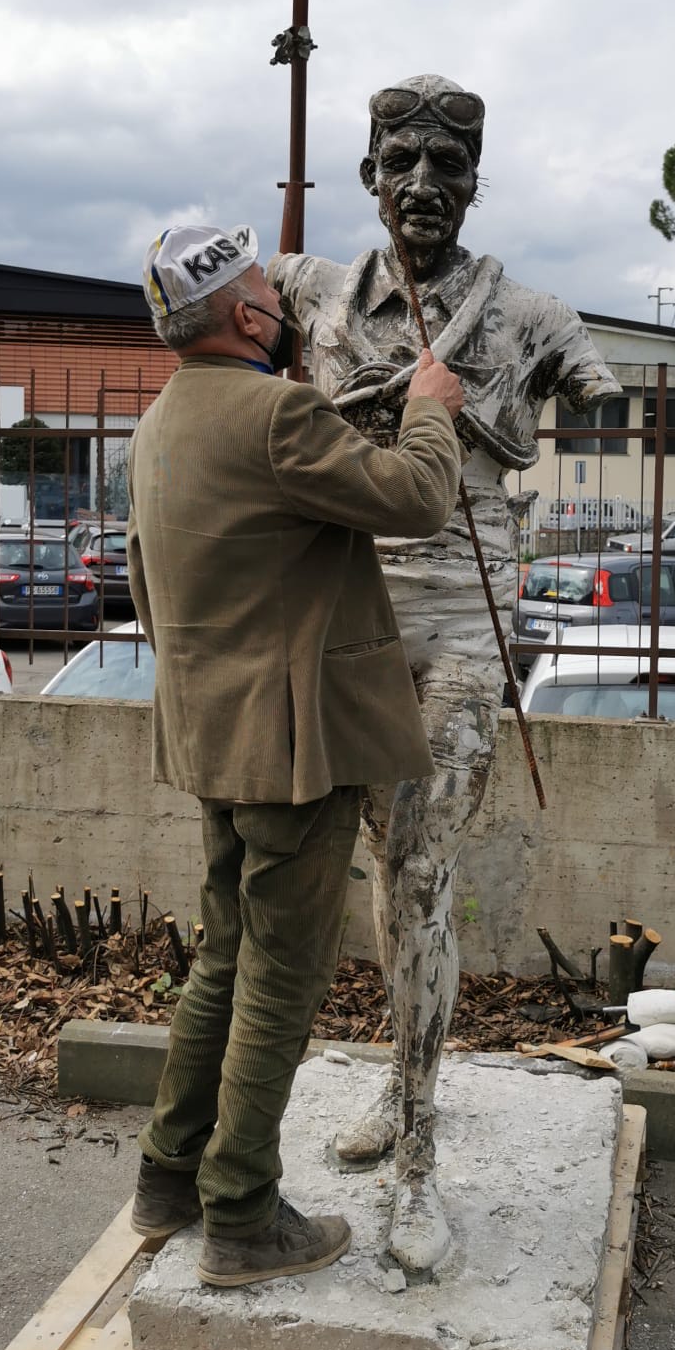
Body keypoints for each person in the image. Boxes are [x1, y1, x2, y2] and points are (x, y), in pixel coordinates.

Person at [269, 75, 621, 1271]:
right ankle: (393, 1082)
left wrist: (520, 396)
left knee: (422, 872)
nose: (423, 186)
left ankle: (420, 1160)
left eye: (447, 167)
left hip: (464, 625)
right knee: (365, 867)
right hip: (335, 612)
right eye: (400, 163)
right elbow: (189, 308)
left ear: (475, 182)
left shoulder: (526, 314)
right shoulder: (309, 292)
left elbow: (604, 397)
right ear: (369, 175)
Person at [125, 221, 464, 1287]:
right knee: (282, 976)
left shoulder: (159, 425)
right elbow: (415, 499)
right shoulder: (275, 414)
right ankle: (241, 1216)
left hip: (211, 741)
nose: (281, 306)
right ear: (245, 313)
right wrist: (428, 411)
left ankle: (167, 1177)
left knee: (224, 959)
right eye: (269, 293)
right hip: (293, 751)